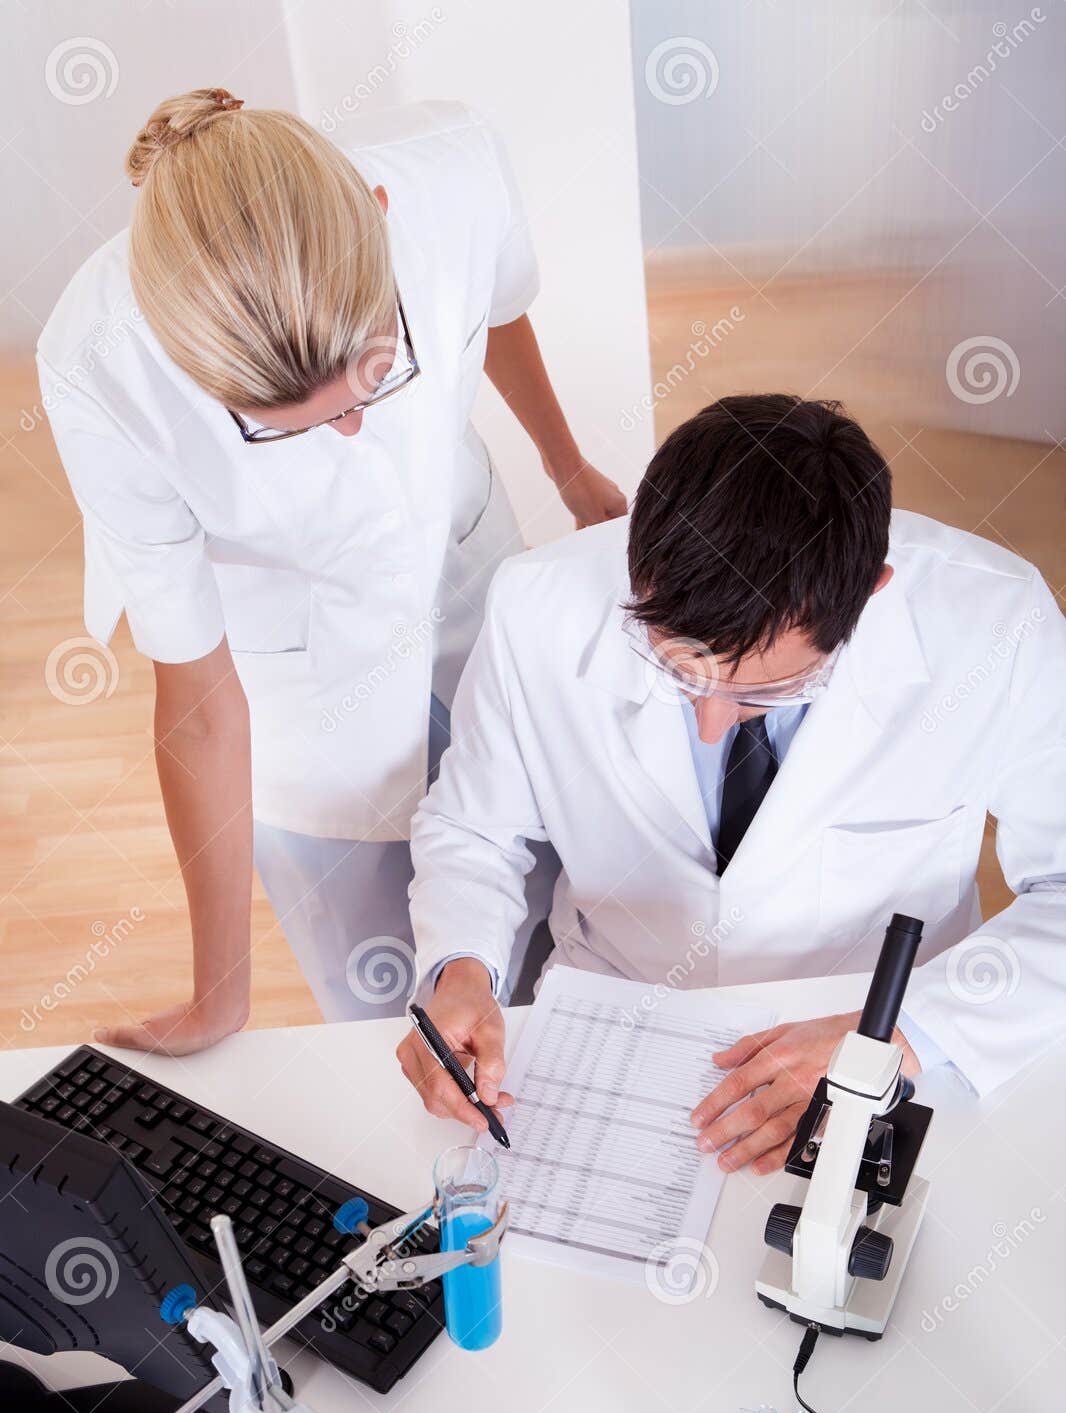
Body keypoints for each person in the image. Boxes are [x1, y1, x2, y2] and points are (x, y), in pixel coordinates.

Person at [38, 88, 623, 1049]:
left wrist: (568, 466)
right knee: (391, 1007)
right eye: (289, 428)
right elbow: (197, 695)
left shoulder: (453, 164)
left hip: (469, 563)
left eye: (374, 376)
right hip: (299, 668)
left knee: (570, 919)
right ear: (187, 360)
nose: (352, 430)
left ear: (385, 226)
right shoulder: (98, 362)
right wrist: (219, 992)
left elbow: (499, 304)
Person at [396, 394, 1066, 1172]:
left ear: (869, 595)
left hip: (880, 1047)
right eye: (677, 670)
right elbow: (475, 829)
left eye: (767, 694)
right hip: (616, 1025)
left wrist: (905, 1037)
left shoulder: (996, 624)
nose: (714, 725)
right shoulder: (535, 603)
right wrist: (460, 969)